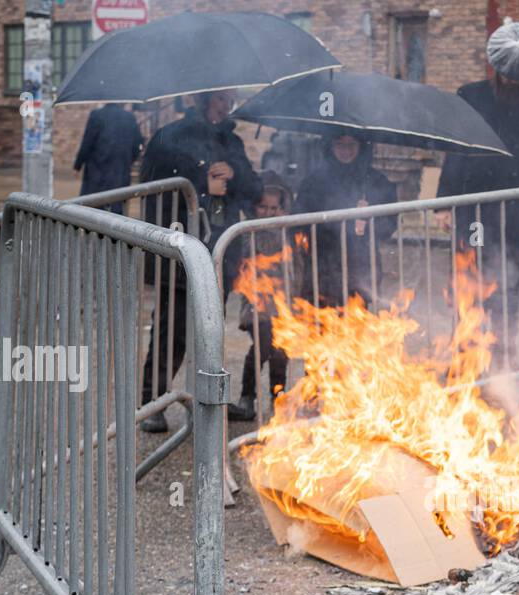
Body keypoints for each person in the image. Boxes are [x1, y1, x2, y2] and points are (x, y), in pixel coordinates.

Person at [437, 21, 519, 363]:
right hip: (475, 210)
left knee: (514, 281)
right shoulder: (470, 95)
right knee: (470, 275)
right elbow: (456, 150)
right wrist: (443, 205)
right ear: (498, 70)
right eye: (509, 77)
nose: (515, 85)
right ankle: (467, 350)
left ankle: (505, 348)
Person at [138, 91, 259, 432]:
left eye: (230, 98)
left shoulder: (232, 141)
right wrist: (200, 181)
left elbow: (255, 188)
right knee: (171, 329)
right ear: (206, 100)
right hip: (179, 250)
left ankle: (205, 401)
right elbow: (152, 183)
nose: (228, 104)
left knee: (209, 332)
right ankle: (152, 402)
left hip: (218, 253)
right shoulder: (170, 137)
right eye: (222, 98)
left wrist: (233, 175)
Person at [293, 133, 397, 308]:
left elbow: (390, 223)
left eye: (351, 145)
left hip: (361, 266)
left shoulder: (376, 181)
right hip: (322, 266)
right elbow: (299, 219)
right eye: (339, 145)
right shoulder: (314, 182)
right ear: (330, 146)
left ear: (361, 146)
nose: (345, 151)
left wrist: (368, 224)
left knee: (355, 324)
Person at [229, 174, 299, 422]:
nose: (268, 213)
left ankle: (277, 396)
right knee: (261, 346)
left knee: (280, 350)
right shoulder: (248, 231)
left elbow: (296, 265)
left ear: (283, 207)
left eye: (274, 208)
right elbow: (258, 254)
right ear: (254, 207)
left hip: (284, 302)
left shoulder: (289, 231)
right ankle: (247, 398)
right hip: (256, 302)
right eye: (263, 207)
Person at [73, 103, 144, 212]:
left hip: (97, 172)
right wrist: (128, 160)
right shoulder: (129, 117)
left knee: (93, 210)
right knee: (117, 209)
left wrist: (78, 165)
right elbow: (138, 143)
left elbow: (87, 142)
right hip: (120, 172)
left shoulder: (96, 115)